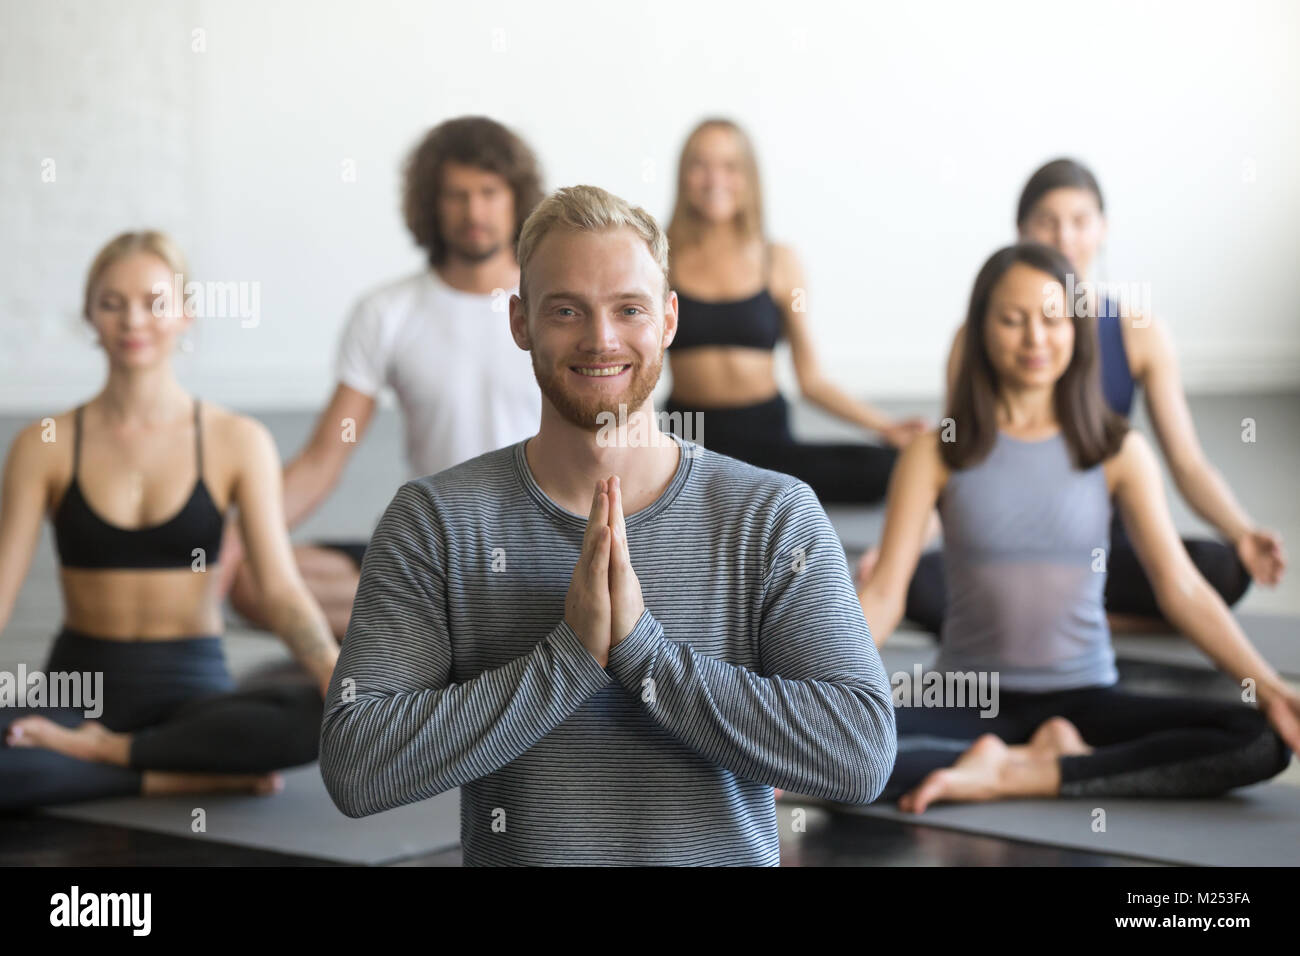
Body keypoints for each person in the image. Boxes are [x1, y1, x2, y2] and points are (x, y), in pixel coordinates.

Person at [318, 184, 897, 865]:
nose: (601, 339)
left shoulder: (771, 516)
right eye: (566, 310)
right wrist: (566, 661)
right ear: (520, 322)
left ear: (669, 320)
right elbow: (357, 767)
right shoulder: (437, 522)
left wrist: (644, 655)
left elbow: (859, 756)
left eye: (629, 309)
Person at [856, 242, 1295, 813]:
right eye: (1013, 321)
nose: (1035, 339)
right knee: (827, 746)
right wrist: (803, 696)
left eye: (1051, 319)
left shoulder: (1118, 450)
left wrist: (1271, 687)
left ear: (1077, 329)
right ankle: (1049, 762)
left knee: (1262, 739)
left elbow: (1181, 588)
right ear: (980, 331)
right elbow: (886, 594)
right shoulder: (935, 451)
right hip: (967, 697)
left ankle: (1017, 773)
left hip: (1087, 697)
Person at [0, 231, 338, 810]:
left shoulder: (237, 440)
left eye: (155, 303)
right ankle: (174, 775)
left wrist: (340, 679)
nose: (134, 320)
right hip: (77, 692)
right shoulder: (45, 444)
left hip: (192, 696)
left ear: (185, 314)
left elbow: (280, 590)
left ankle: (105, 755)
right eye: (112, 303)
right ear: (90, 314)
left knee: (315, 713)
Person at [899, 159, 1285, 633]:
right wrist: (900, 550)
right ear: (1020, 232)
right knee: (914, 583)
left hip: (1103, 547)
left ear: (1103, 229)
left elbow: (1187, 463)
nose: (1064, 238)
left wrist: (1242, 530)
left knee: (1224, 567)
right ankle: (1069, 620)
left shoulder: (1138, 333)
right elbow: (956, 462)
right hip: (1006, 546)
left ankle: (1069, 621)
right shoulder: (978, 336)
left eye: (1080, 221)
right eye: (1047, 221)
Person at [219, 116, 544, 638]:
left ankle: (427, 634)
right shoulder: (387, 311)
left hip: (538, 548)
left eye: (489, 192)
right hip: (431, 551)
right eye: (456, 195)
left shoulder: (553, 308)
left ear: (516, 197)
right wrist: (231, 543)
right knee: (253, 577)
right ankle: (434, 630)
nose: (474, 211)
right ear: (431, 205)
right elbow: (324, 459)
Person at [661, 118, 926, 504]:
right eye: (700, 165)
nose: (714, 179)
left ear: (748, 177)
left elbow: (811, 380)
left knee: (892, 465)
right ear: (684, 176)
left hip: (768, 440)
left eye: (729, 167)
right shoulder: (659, 260)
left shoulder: (780, 262)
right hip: (692, 439)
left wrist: (887, 427)